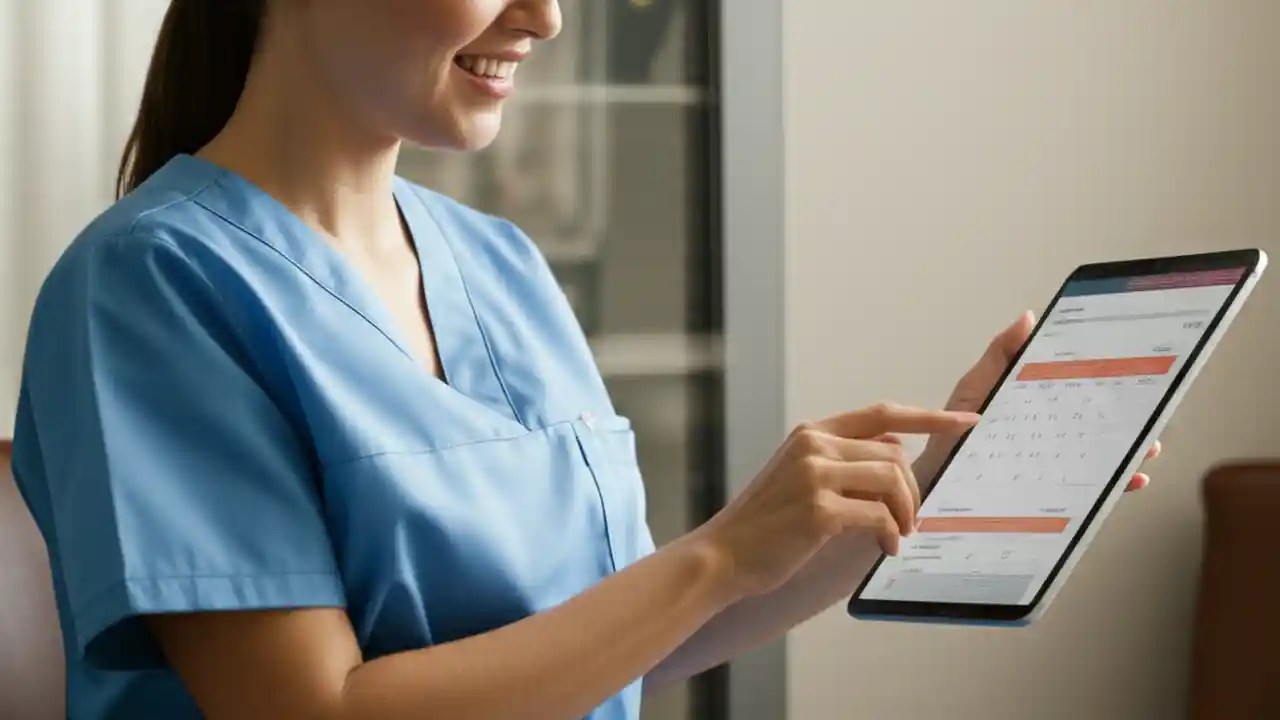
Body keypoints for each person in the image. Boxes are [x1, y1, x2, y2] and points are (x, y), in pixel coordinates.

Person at [8, 1, 1161, 718]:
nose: (547, 16)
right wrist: (713, 557)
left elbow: (616, 653)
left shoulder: (496, 264)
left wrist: (909, 498)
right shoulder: (155, 285)